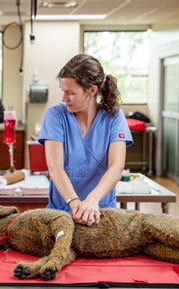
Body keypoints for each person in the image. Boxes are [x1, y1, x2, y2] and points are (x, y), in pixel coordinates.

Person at [38, 54, 133, 227]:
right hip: (62, 213)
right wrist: (76, 205)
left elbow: (116, 166)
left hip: (102, 212)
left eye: (70, 93)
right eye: (63, 91)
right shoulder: (56, 116)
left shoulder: (114, 117)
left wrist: (92, 201)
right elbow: (55, 167)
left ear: (92, 90)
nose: (64, 98)